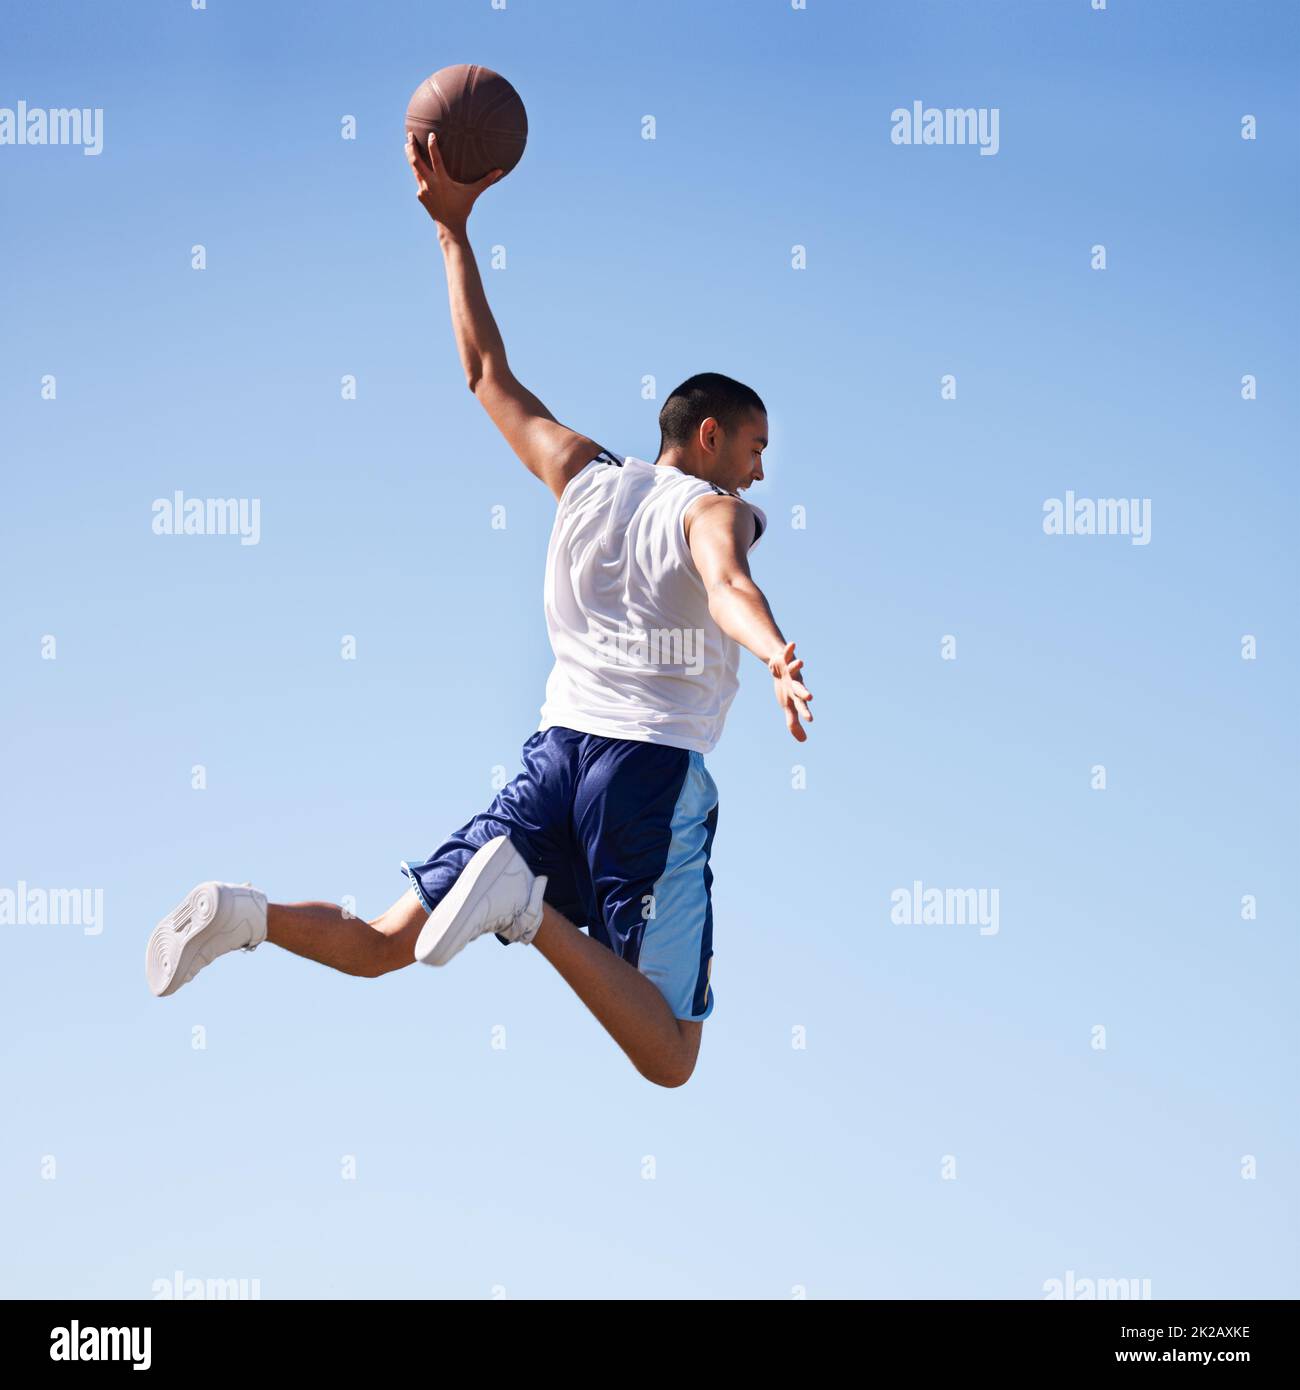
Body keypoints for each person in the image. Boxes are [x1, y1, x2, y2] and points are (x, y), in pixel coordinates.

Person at [144, 132, 813, 1088]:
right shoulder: (716, 508)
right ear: (708, 436)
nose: (758, 467)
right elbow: (725, 583)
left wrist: (452, 232)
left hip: (555, 760)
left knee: (386, 944)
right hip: (647, 778)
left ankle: (242, 913)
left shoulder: (583, 476)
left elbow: (486, 375)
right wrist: (777, 650)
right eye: (754, 444)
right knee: (670, 1052)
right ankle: (528, 913)